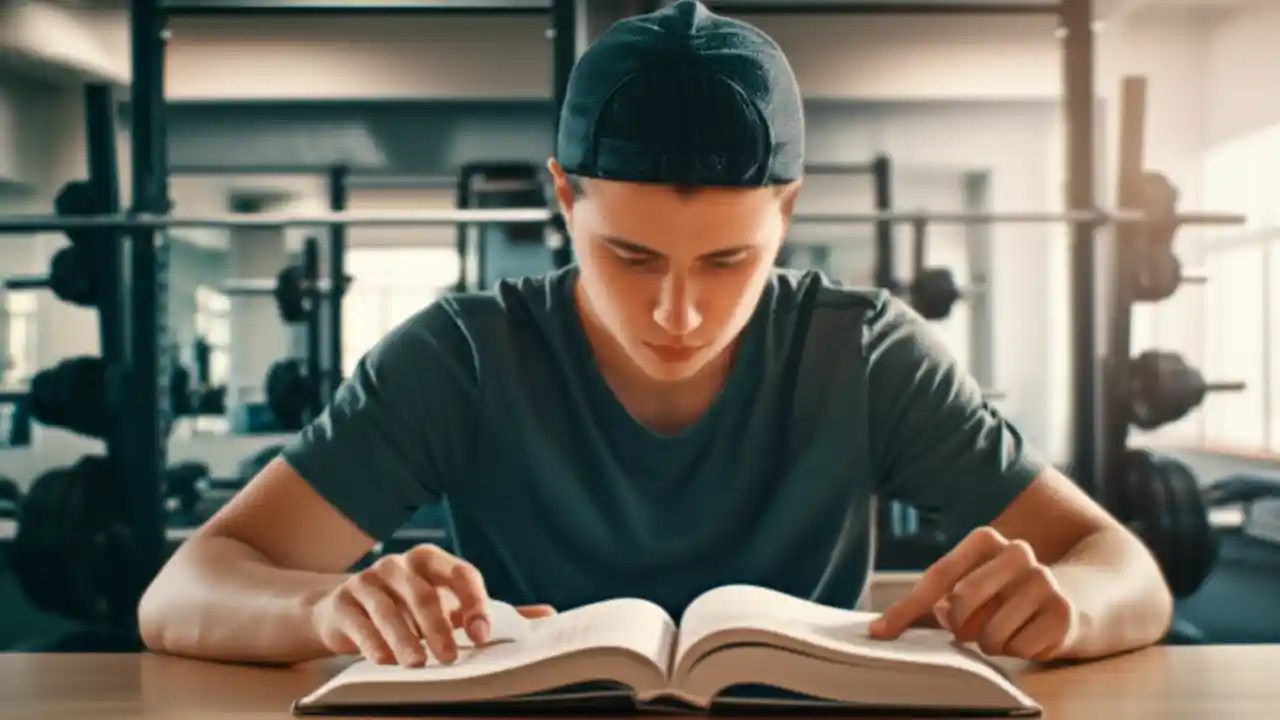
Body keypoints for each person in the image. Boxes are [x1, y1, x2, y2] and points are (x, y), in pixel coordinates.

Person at [138, 0, 1172, 669]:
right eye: (630, 257)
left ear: (787, 211)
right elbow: (185, 589)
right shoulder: (458, 355)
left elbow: (1120, 567)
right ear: (562, 201)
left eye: (726, 263)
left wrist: (1068, 607)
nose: (677, 316)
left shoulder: (860, 352)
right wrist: (325, 611)